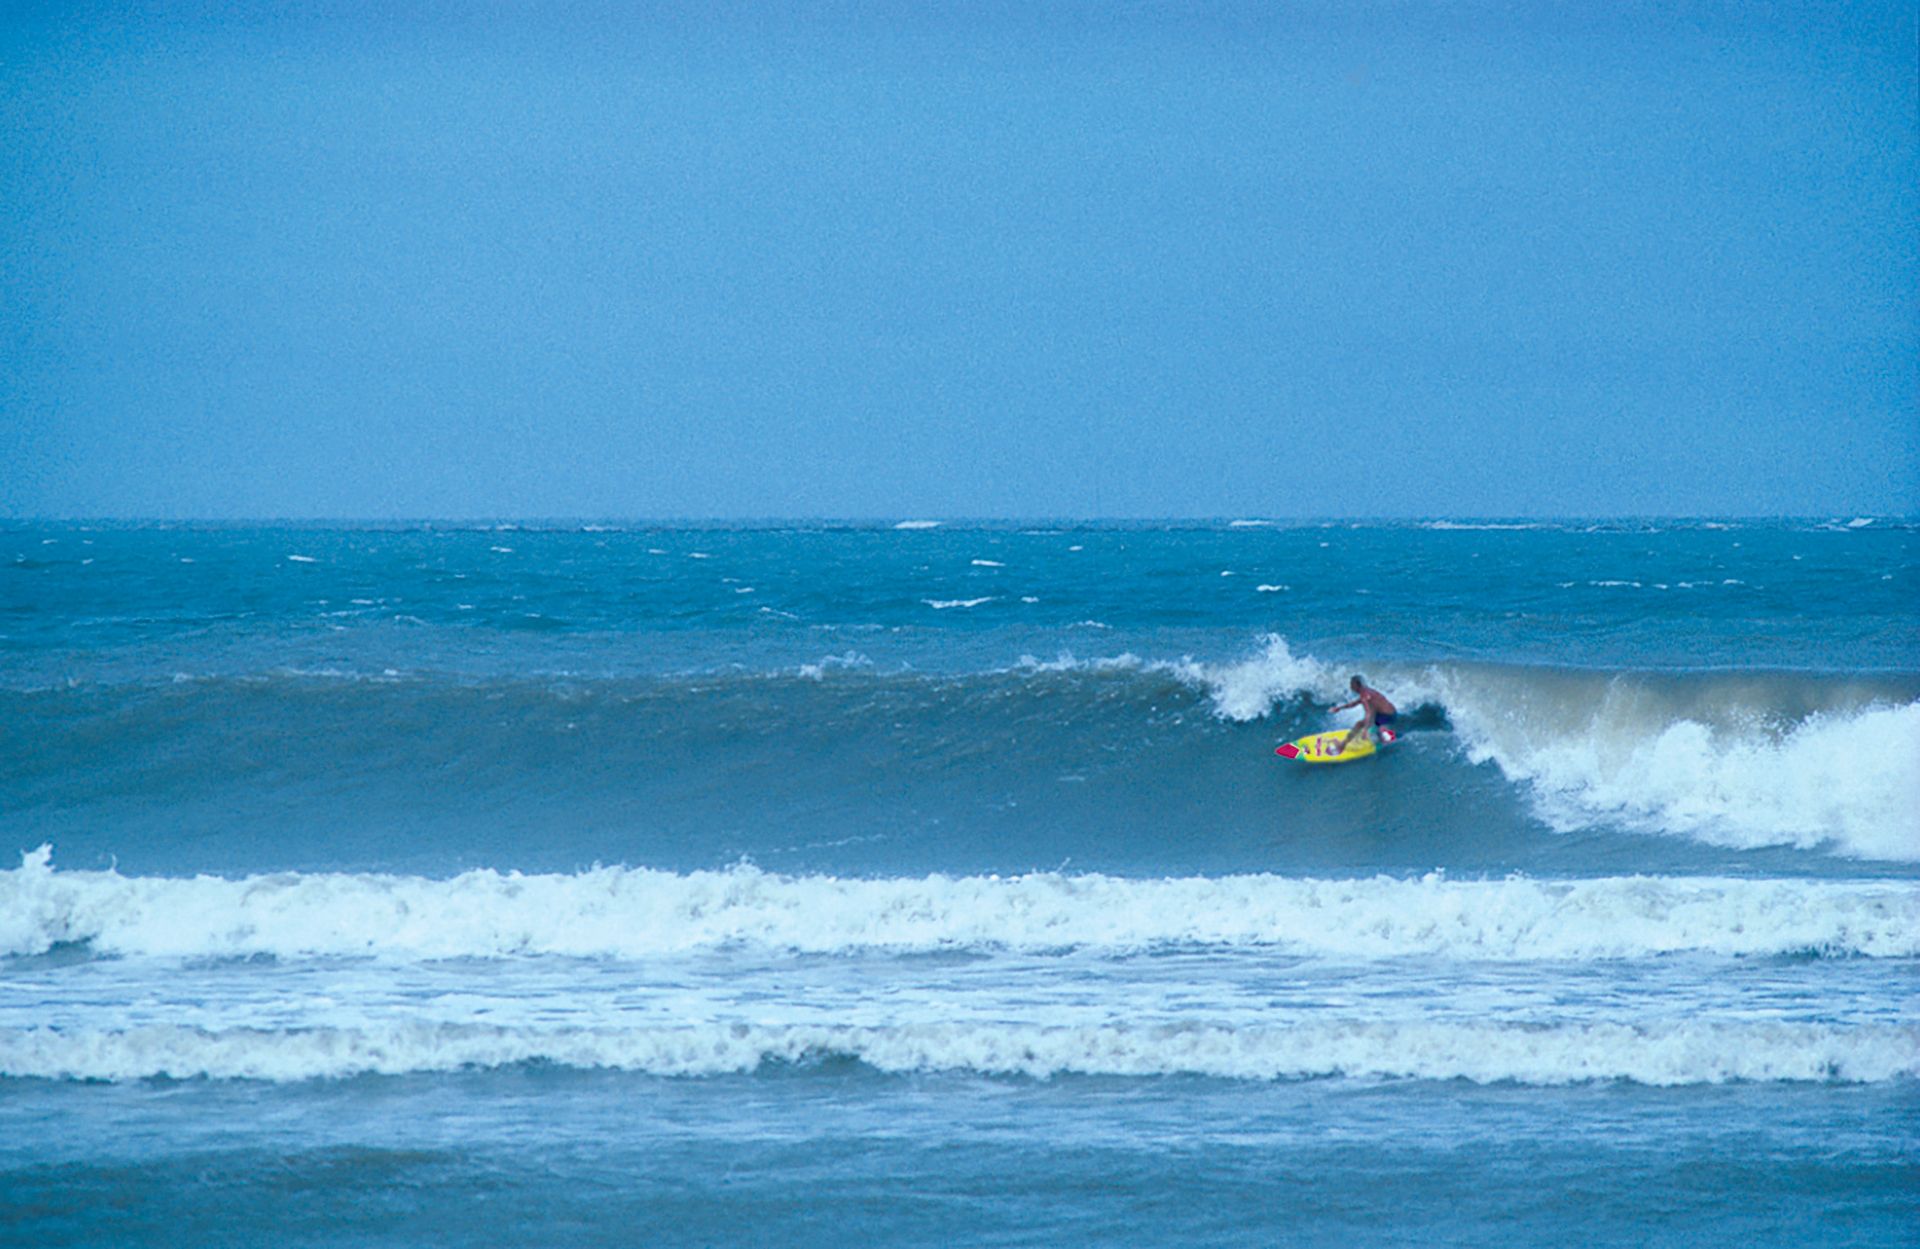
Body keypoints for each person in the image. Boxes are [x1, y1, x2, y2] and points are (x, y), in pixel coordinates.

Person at [1329, 674, 1397, 752]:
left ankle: (1341, 746)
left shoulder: (1365, 696)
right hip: (1390, 713)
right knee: (1373, 727)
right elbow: (1354, 703)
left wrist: (1365, 730)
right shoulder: (1367, 691)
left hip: (1386, 716)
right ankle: (1384, 735)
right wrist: (1339, 708)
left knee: (1359, 724)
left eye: (1351, 684)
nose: (1350, 687)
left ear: (1357, 685)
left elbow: (1369, 713)